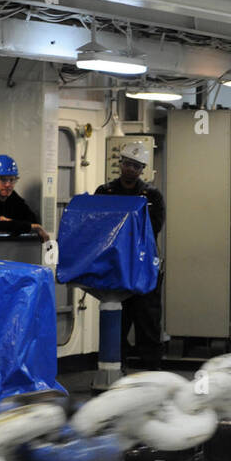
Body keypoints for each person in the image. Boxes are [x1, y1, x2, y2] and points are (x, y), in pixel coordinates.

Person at [95, 141, 166, 369]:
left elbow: (153, 228)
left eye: (136, 166)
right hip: (115, 267)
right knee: (117, 318)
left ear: (142, 169)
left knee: (148, 320)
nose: (130, 169)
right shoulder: (105, 192)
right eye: (127, 164)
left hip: (143, 268)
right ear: (120, 164)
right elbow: (98, 227)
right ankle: (116, 368)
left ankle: (152, 370)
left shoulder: (152, 196)